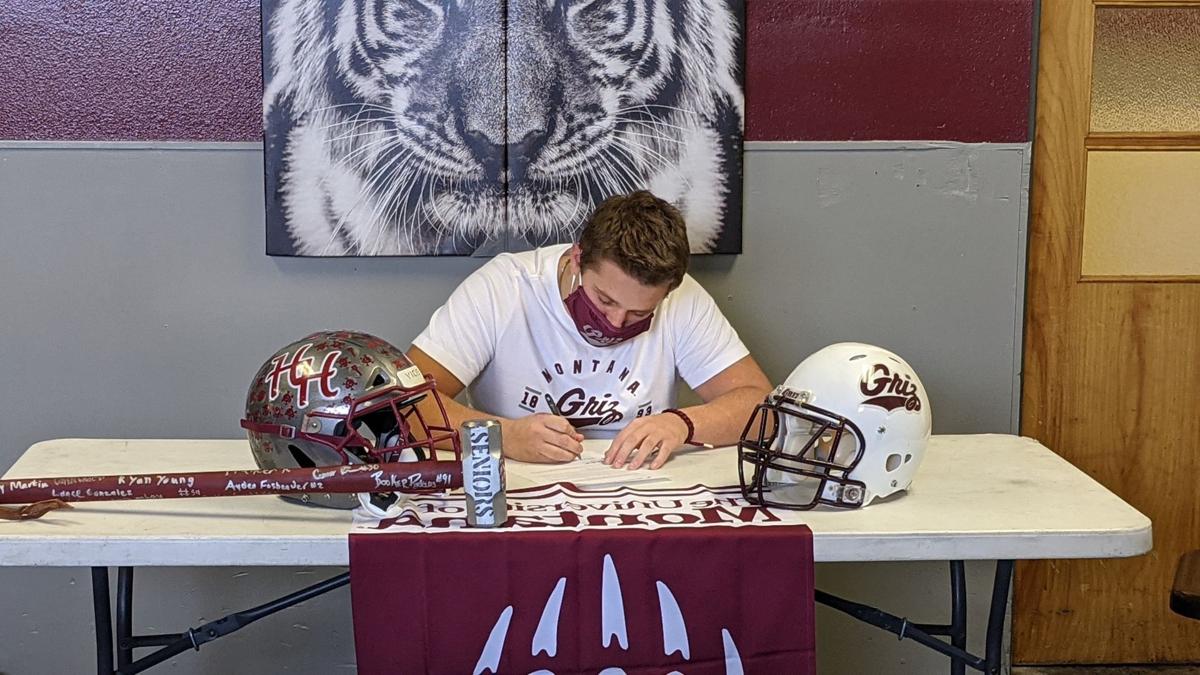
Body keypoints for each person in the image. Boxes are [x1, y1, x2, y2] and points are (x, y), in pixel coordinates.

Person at [407, 190, 771, 470]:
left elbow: (760, 407)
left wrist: (683, 424)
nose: (614, 324)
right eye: (605, 300)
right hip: (515, 483)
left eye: (638, 313)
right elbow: (403, 405)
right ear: (577, 258)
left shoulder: (682, 297)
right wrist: (504, 435)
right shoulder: (504, 287)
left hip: (640, 488)